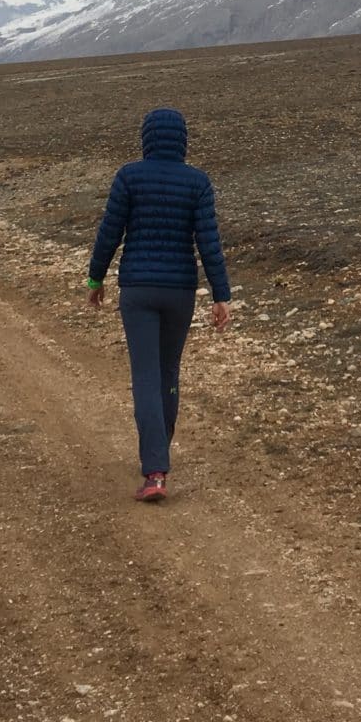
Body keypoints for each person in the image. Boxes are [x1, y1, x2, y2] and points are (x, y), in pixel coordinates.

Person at [87, 106, 232, 502]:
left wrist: (94, 278)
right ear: (182, 139)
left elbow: (109, 232)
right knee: (168, 372)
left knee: (147, 376)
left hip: (138, 289)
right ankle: (158, 447)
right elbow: (209, 244)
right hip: (180, 291)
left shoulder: (129, 176)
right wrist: (222, 295)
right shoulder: (197, 182)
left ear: (146, 138)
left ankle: (155, 470)